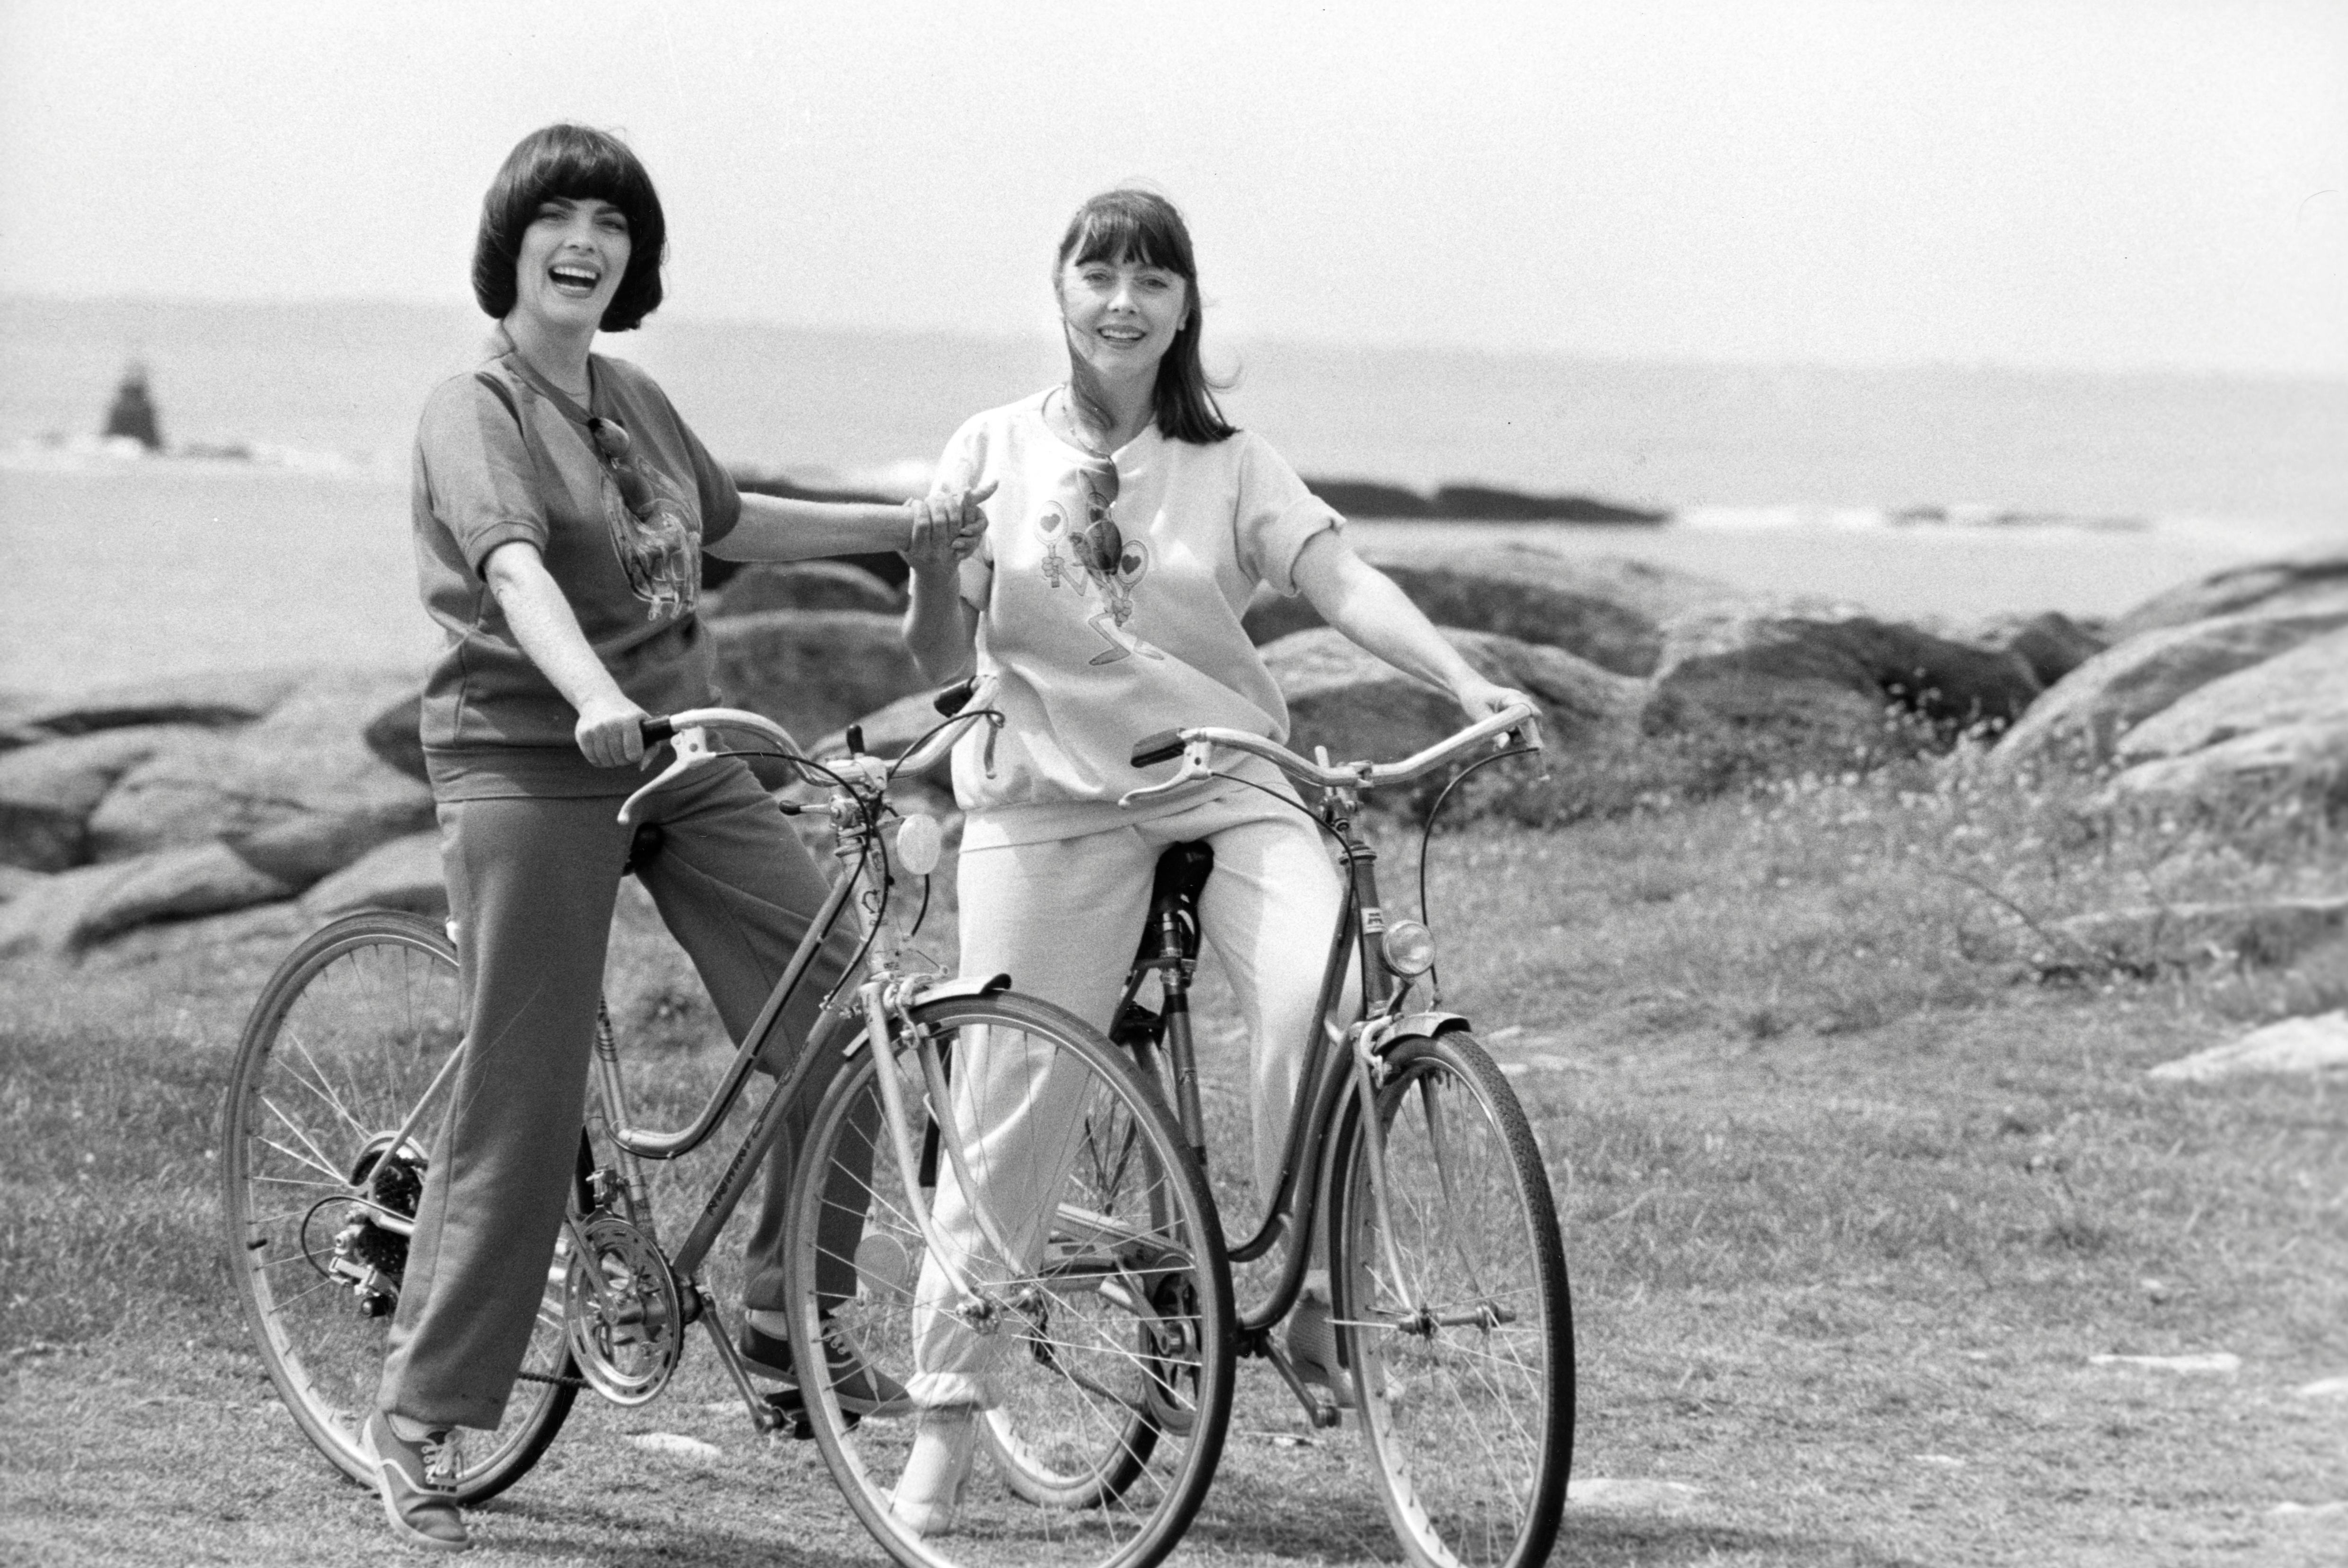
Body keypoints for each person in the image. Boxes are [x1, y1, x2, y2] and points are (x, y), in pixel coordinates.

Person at [367, 123, 986, 1553]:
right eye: (557, 219)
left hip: (672, 752)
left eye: (611, 222)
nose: (585, 242)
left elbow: (726, 520)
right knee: (523, 1102)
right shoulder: (474, 406)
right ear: (508, 245)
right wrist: (588, 692)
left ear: (634, 256)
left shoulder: (630, 396)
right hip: (533, 756)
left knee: (844, 1009)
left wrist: (902, 530)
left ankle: (783, 1324)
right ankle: (422, 1411)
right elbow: (513, 567)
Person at [893, 186, 1529, 1533]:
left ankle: (1301, 1293)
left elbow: (1338, 578)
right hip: (1045, 796)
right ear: (1058, 290)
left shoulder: (1228, 458)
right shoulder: (989, 446)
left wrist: (1465, 678)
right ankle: (945, 1420)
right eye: (1098, 273)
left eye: (1152, 278)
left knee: (1319, 989)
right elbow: (944, 667)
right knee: (1011, 1093)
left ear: (1185, 305)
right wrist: (926, 575)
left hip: (1223, 777)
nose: (1123, 300)